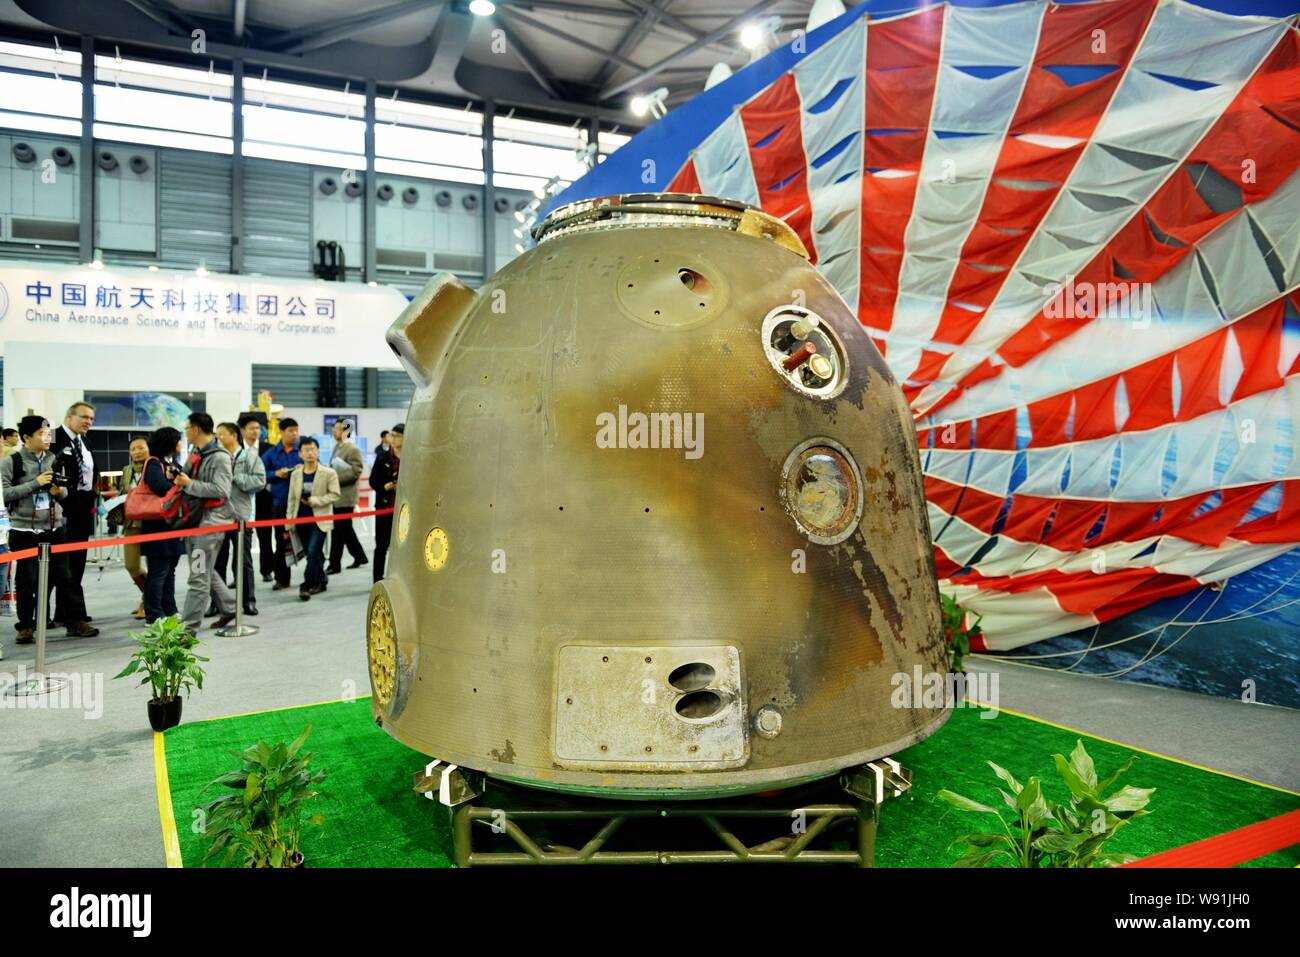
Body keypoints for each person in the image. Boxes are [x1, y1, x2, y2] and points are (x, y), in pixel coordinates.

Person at [1, 415, 98, 642]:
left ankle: (74, 621)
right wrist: (35, 483)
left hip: (54, 527)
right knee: (26, 581)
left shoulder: (55, 458)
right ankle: (25, 626)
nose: (47, 438)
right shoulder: (11, 462)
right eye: (42, 434)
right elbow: (4, 494)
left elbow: (63, 491)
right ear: (26, 437)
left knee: (65, 576)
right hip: (24, 530)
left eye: (48, 434)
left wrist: (59, 492)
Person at [175, 413, 236, 631]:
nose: (186, 431)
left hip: (209, 525)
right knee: (205, 570)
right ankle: (230, 608)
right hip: (194, 521)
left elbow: (221, 490)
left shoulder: (220, 457)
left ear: (196, 429)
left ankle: (188, 629)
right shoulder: (195, 453)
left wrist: (189, 484)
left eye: (187, 427)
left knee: (198, 576)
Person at [49, 401, 98, 628]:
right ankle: (47, 614)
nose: (88, 422)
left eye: (91, 419)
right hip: (60, 509)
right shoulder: (53, 438)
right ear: (70, 417)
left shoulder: (85, 442)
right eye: (85, 417)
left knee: (77, 562)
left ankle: (67, 611)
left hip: (82, 509)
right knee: (55, 566)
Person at [213, 421, 265, 616]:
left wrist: (237, 478)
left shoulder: (250, 457)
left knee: (243, 561)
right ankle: (217, 603)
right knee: (218, 561)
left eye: (222, 435)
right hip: (218, 517)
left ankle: (248, 602)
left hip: (242, 516)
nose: (218, 438)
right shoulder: (217, 458)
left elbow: (260, 481)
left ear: (233, 435)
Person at [140, 427, 185, 624]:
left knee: (169, 569)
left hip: (171, 524)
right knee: (158, 571)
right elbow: (159, 487)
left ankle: (170, 608)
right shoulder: (153, 463)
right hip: (157, 525)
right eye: (178, 440)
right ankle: (153, 612)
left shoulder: (169, 463)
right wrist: (178, 486)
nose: (180, 444)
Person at [287, 437, 340, 601]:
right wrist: (289, 520)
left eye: (312, 449)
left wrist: (315, 501)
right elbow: (292, 499)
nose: (309, 453)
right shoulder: (296, 474)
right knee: (315, 555)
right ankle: (322, 580)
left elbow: (335, 494)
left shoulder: (328, 472)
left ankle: (306, 585)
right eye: (306, 450)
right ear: (300, 453)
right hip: (301, 520)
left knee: (312, 554)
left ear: (317, 452)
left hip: (320, 520)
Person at [261, 418, 301, 592]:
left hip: (302, 504)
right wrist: (276, 473)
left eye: (296, 431)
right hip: (280, 503)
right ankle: (282, 578)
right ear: (282, 432)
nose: (294, 434)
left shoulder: (303, 451)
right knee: (281, 542)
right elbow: (260, 474)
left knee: (308, 540)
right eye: (291, 430)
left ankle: (315, 577)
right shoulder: (271, 454)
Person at [326, 417, 367, 574]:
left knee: (339, 531)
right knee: (345, 530)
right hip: (337, 495)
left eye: (337, 428)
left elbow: (356, 471)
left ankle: (334, 564)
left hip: (346, 496)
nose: (334, 431)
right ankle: (360, 556)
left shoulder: (352, 449)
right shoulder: (337, 447)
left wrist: (334, 479)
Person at [116, 436, 150, 619]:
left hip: (152, 522)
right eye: (133, 449)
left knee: (155, 567)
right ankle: (148, 595)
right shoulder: (126, 471)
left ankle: (148, 602)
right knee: (131, 565)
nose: (137, 451)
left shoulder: (155, 467)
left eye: (141, 447)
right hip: (131, 522)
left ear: (148, 448)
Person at [239, 414, 275, 583]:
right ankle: (240, 574)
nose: (256, 431)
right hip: (241, 498)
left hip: (264, 498)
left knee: (265, 536)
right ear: (242, 431)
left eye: (258, 428)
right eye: (252, 428)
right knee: (240, 538)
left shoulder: (269, 449)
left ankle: (267, 569)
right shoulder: (237, 449)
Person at [369, 423, 403, 583]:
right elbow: (373, 481)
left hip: (404, 509)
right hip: (384, 507)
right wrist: (385, 487)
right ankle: (377, 578)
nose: (393, 438)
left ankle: (400, 577)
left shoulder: (413, 456)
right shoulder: (383, 457)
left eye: (397, 435)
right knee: (381, 546)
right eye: (392, 435)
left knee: (402, 547)